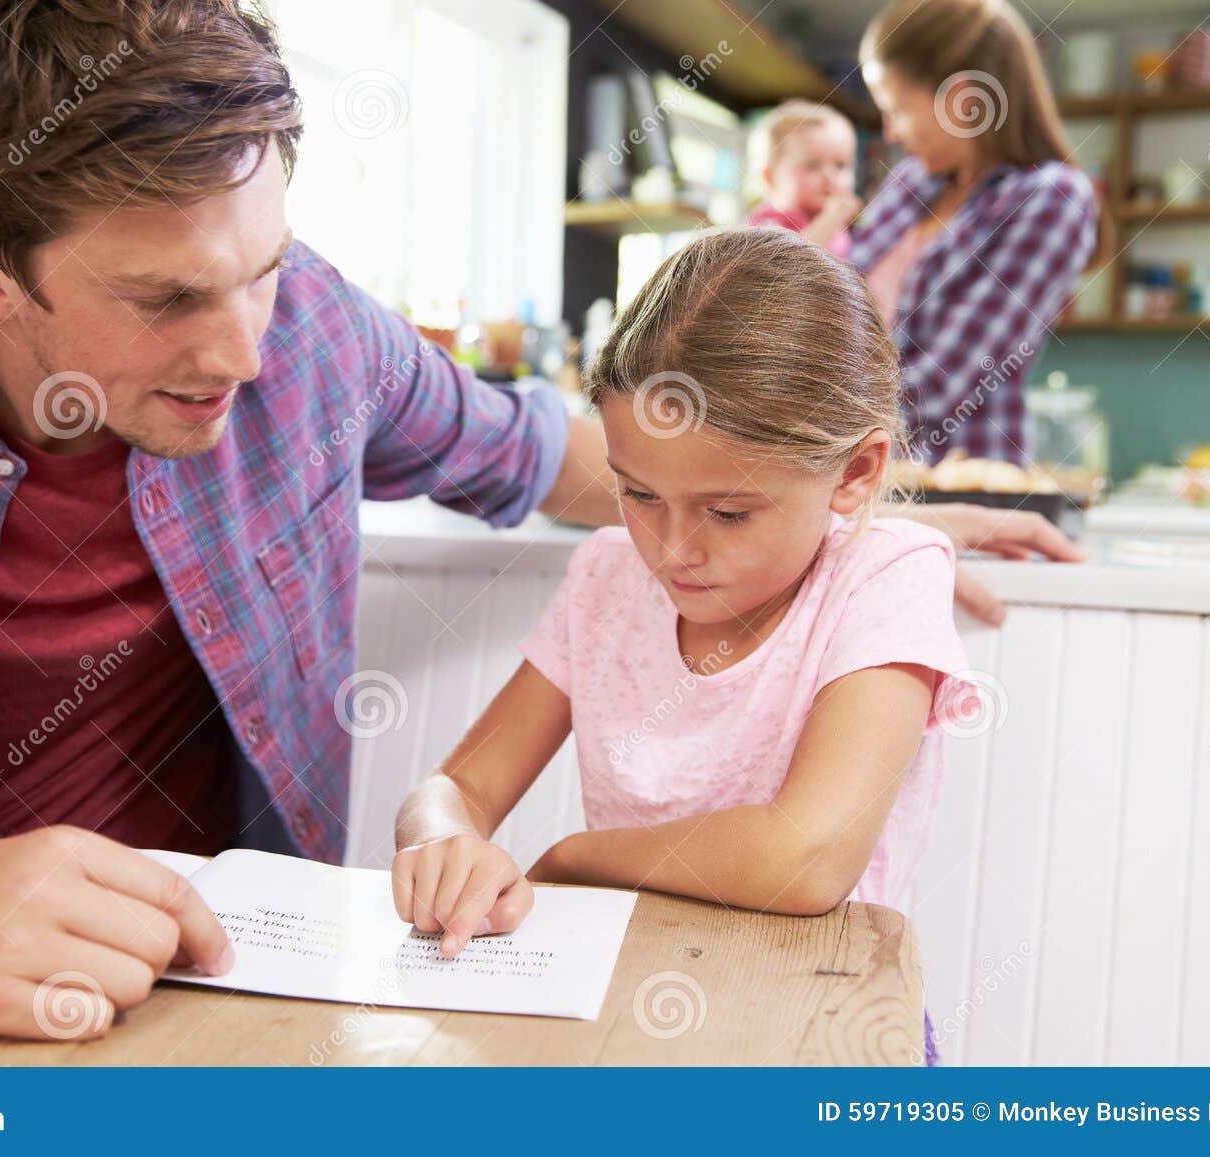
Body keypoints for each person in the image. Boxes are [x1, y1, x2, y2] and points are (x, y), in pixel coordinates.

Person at [0, 0, 1072, 1041]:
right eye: (165, 300)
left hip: (219, 1003)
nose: (246, 352)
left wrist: (856, 498)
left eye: (261, 266)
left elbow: (575, 459)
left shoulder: (320, 334)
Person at [393, 229, 977, 1064]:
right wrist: (439, 839)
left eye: (729, 512)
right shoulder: (606, 575)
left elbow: (804, 857)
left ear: (854, 472)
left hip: (822, 1026)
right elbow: (456, 784)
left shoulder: (887, 578)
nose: (672, 550)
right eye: (637, 494)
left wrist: (570, 857)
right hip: (626, 1008)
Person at [849, 0, 1104, 465]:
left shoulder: (1051, 198)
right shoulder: (908, 184)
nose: (890, 132)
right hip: (848, 476)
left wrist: (794, 430)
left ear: (963, 100)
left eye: (898, 109)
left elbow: (941, 383)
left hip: (953, 490)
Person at [747, 100, 862, 258]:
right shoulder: (769, 222)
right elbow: (796, 262)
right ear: (770, 178)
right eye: (812, 166)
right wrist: (832, 218)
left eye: (840, 166)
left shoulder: (838, 228)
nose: (830, 176)